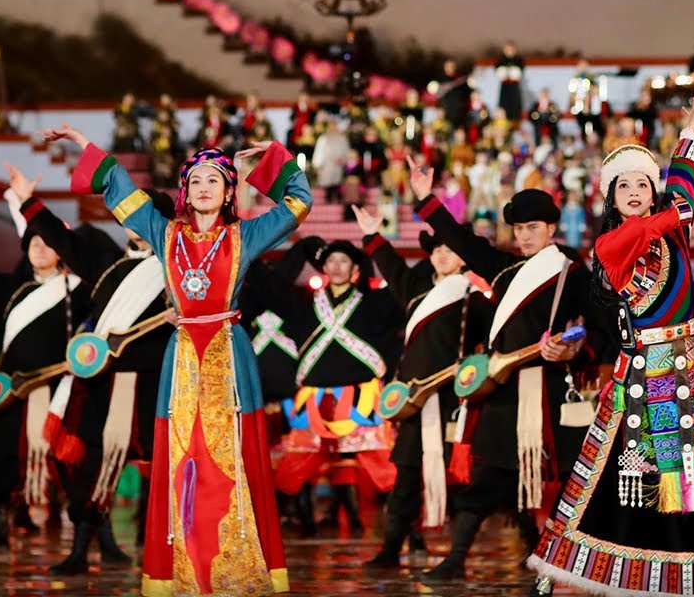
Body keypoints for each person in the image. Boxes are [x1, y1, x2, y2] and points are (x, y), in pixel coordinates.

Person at [42, 122, 311, 596]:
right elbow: (122, 194)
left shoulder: (245, 237)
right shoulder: (164, 233)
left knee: (232, 458)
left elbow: (297, 205)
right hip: (183, 354)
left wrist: (272, 159)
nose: (203, 188)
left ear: (229, 191)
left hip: (228, 355)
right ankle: (184, 568)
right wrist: (86, 147)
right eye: (195, 180)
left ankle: (239, 566)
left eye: (215, 180)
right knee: (184, 459)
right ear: (184, 191)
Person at [527, 94, 694, 597]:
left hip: (683, 373)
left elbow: (683, 189)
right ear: (610, 197)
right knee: (623, 474)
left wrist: (691, 136)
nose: (635, 191)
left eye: (642, 183)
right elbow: (670, 210)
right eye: (625, 185)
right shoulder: (610, 245)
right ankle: (575, 567)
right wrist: (674, 207)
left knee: (683, 480)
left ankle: (679, 579)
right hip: (642, 375)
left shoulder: (675, 232)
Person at [408, 166, 612, 582]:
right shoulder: (502, 268)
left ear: (552, 228)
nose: (523, 236)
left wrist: (574, 348)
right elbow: (460, 239)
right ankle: (457, 557)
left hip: (548, 391)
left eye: (532, 227)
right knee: (489, 476)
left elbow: (599, 331)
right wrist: (427, 199)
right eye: (518, 228)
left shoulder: (573, 274)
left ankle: (559, 563)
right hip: (501, 390)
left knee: (556, 484)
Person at [6, 166, 176, 572]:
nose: (137, 220)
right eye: (132, 213)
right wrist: (30, 203)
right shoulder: (106, 263)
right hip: (102, 382)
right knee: (84, 464)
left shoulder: (178, 269)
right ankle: (84, 547)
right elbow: (63, 240)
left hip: (155, 382)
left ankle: (161, 547)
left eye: (146, 212)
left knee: (160, 465)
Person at [355, 213, 490, 567]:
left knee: (471, 479)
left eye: (450, 249)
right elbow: (391, 265)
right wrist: (372, 233)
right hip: (414, 398)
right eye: (437, 250)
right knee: (406, 477)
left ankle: (465, 553)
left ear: (464, 256)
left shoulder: (474, 297)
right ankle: (390, 549)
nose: (443, 255)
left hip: (454, 398)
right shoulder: (415, 289)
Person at [257, 238, 403, 536]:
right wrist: (302, 249)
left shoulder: (374, 303)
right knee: (293, 465)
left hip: (362, 397)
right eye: (331, 261)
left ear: (355, 269)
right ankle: (265, 532)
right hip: (315, 399)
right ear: (323, 267)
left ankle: (406, 532)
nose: (337, 267)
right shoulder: (304, 304)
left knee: (384, 467)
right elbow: (270, 288)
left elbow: (403, 291)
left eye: (344, 262)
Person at [0, 187, 91, 549]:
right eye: (32, 243)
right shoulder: (12, 289)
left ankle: (87, 529)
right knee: (4, 454)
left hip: (57, 387)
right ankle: (3, 515)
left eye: (46, 243)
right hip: (13, 386)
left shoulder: (77, 290)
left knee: (66, 458)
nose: (39, 248)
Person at [496, 41, 526, 121]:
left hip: (514, 86)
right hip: (505, 87)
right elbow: (498, 72)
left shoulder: (518, 60)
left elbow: (519, 73)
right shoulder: (501, 60)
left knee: (515, 105)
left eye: (510, 49)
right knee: (504, 106)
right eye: (507, 49)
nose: (509, 51)